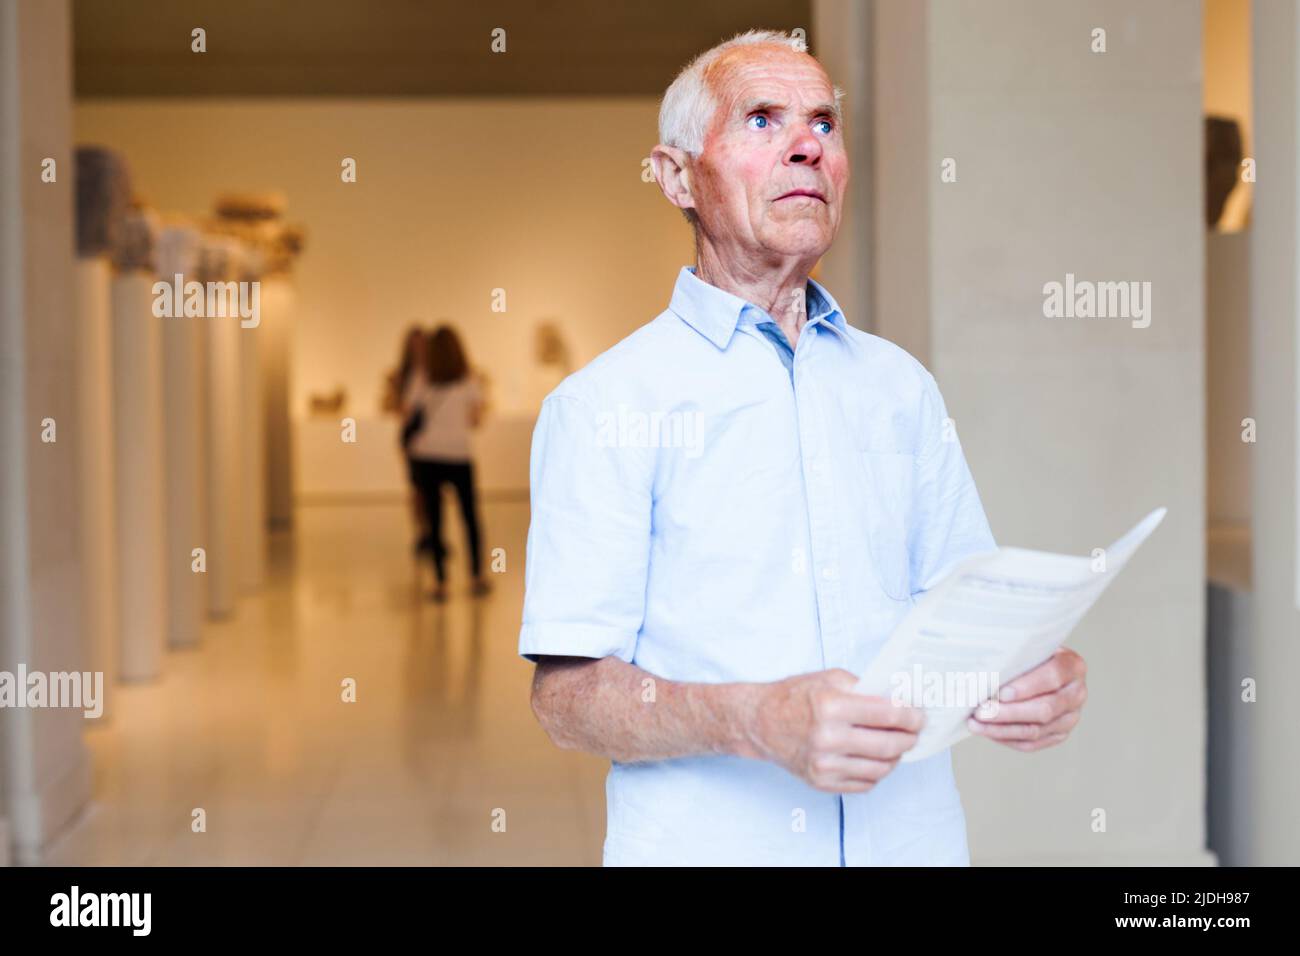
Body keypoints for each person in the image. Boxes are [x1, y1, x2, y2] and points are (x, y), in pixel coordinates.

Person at [519, 30, 1088, 866]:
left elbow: (967, 617)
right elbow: (566, 696)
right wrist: (752, 718)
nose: (807, 145)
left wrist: (1035, 675)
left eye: (825, 122)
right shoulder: (605, 403)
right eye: (761, 119)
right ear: (677, 175)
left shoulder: (902, 388)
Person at [406, 324, 490, 601]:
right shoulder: (468, 379)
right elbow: (476, 419)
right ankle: (477, 575)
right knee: (469, 516)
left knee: (435, 518)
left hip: (428, 454)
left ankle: (440, 581)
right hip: (459, 454)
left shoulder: (423, 378)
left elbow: (409, 412)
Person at [391, 325, 432, 555]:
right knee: (417, 489)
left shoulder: (433, 373)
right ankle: (422, 532)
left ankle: (431, 533)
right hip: (413, 433)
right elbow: (400, 407)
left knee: (430, 489)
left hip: (429, 432)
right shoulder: (405, 374)